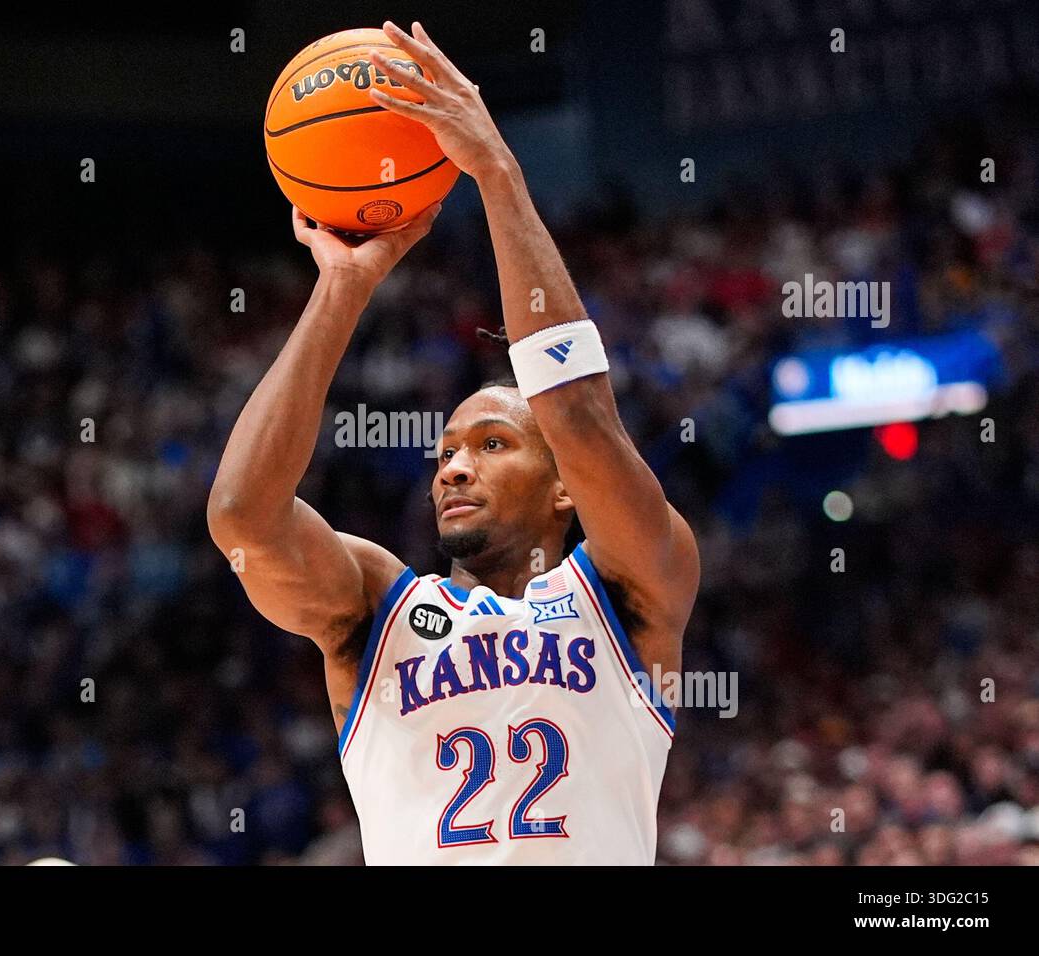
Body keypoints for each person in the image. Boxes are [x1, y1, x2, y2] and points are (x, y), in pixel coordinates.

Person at [208, 21, 699, 864]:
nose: (455, 466)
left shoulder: (630, 593)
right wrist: (344, 287)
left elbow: (579, 417)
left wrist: (497, 175)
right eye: (443, 454)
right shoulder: (376, 608)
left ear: (564, 488)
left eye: (494, 443)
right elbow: (243, 519)